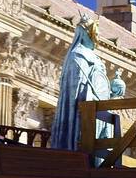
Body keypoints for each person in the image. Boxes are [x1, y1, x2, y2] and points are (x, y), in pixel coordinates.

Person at [50, 14, 125, 153]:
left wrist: (114, 90)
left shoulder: (94, 58)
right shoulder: (77, 56)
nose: (96, 37)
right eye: (93, 33)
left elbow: (97, 89)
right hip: (83, 116)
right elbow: (77, 93)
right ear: (84, 33)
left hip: (97, 113)